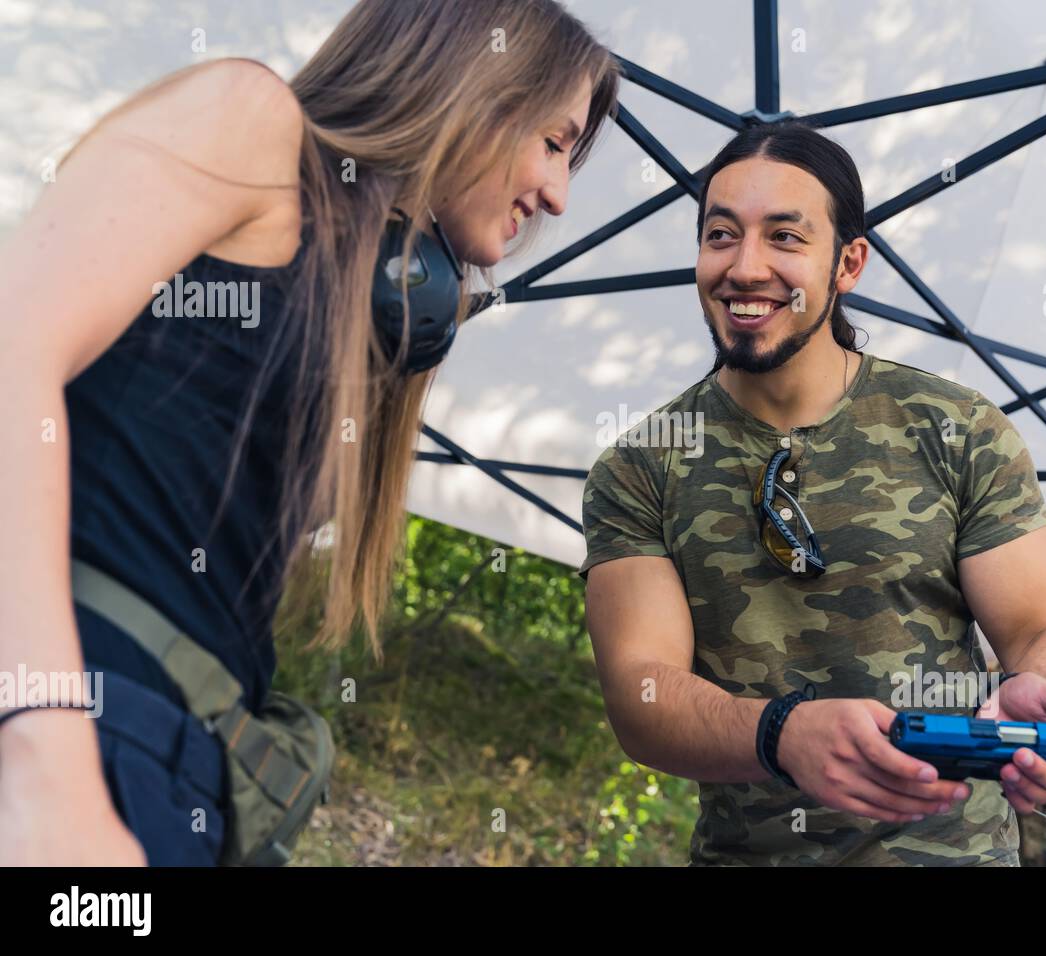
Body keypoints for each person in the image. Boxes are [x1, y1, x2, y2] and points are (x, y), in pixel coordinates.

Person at [0, 0, 620, 865]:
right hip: (70, 736)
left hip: (172, 776)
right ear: (475, 82)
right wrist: (44, 758)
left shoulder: (386, 307)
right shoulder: (250, 121)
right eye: (554, 141)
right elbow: (11, 358)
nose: (556, 192)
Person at [580, 119, 1046, 866]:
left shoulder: (958, 428)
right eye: (721, 235)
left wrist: (1041, 692)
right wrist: (782, 734)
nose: (745, 266)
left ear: (848, 262)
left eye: (786, 238)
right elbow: (642, 695)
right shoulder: (640, 466)